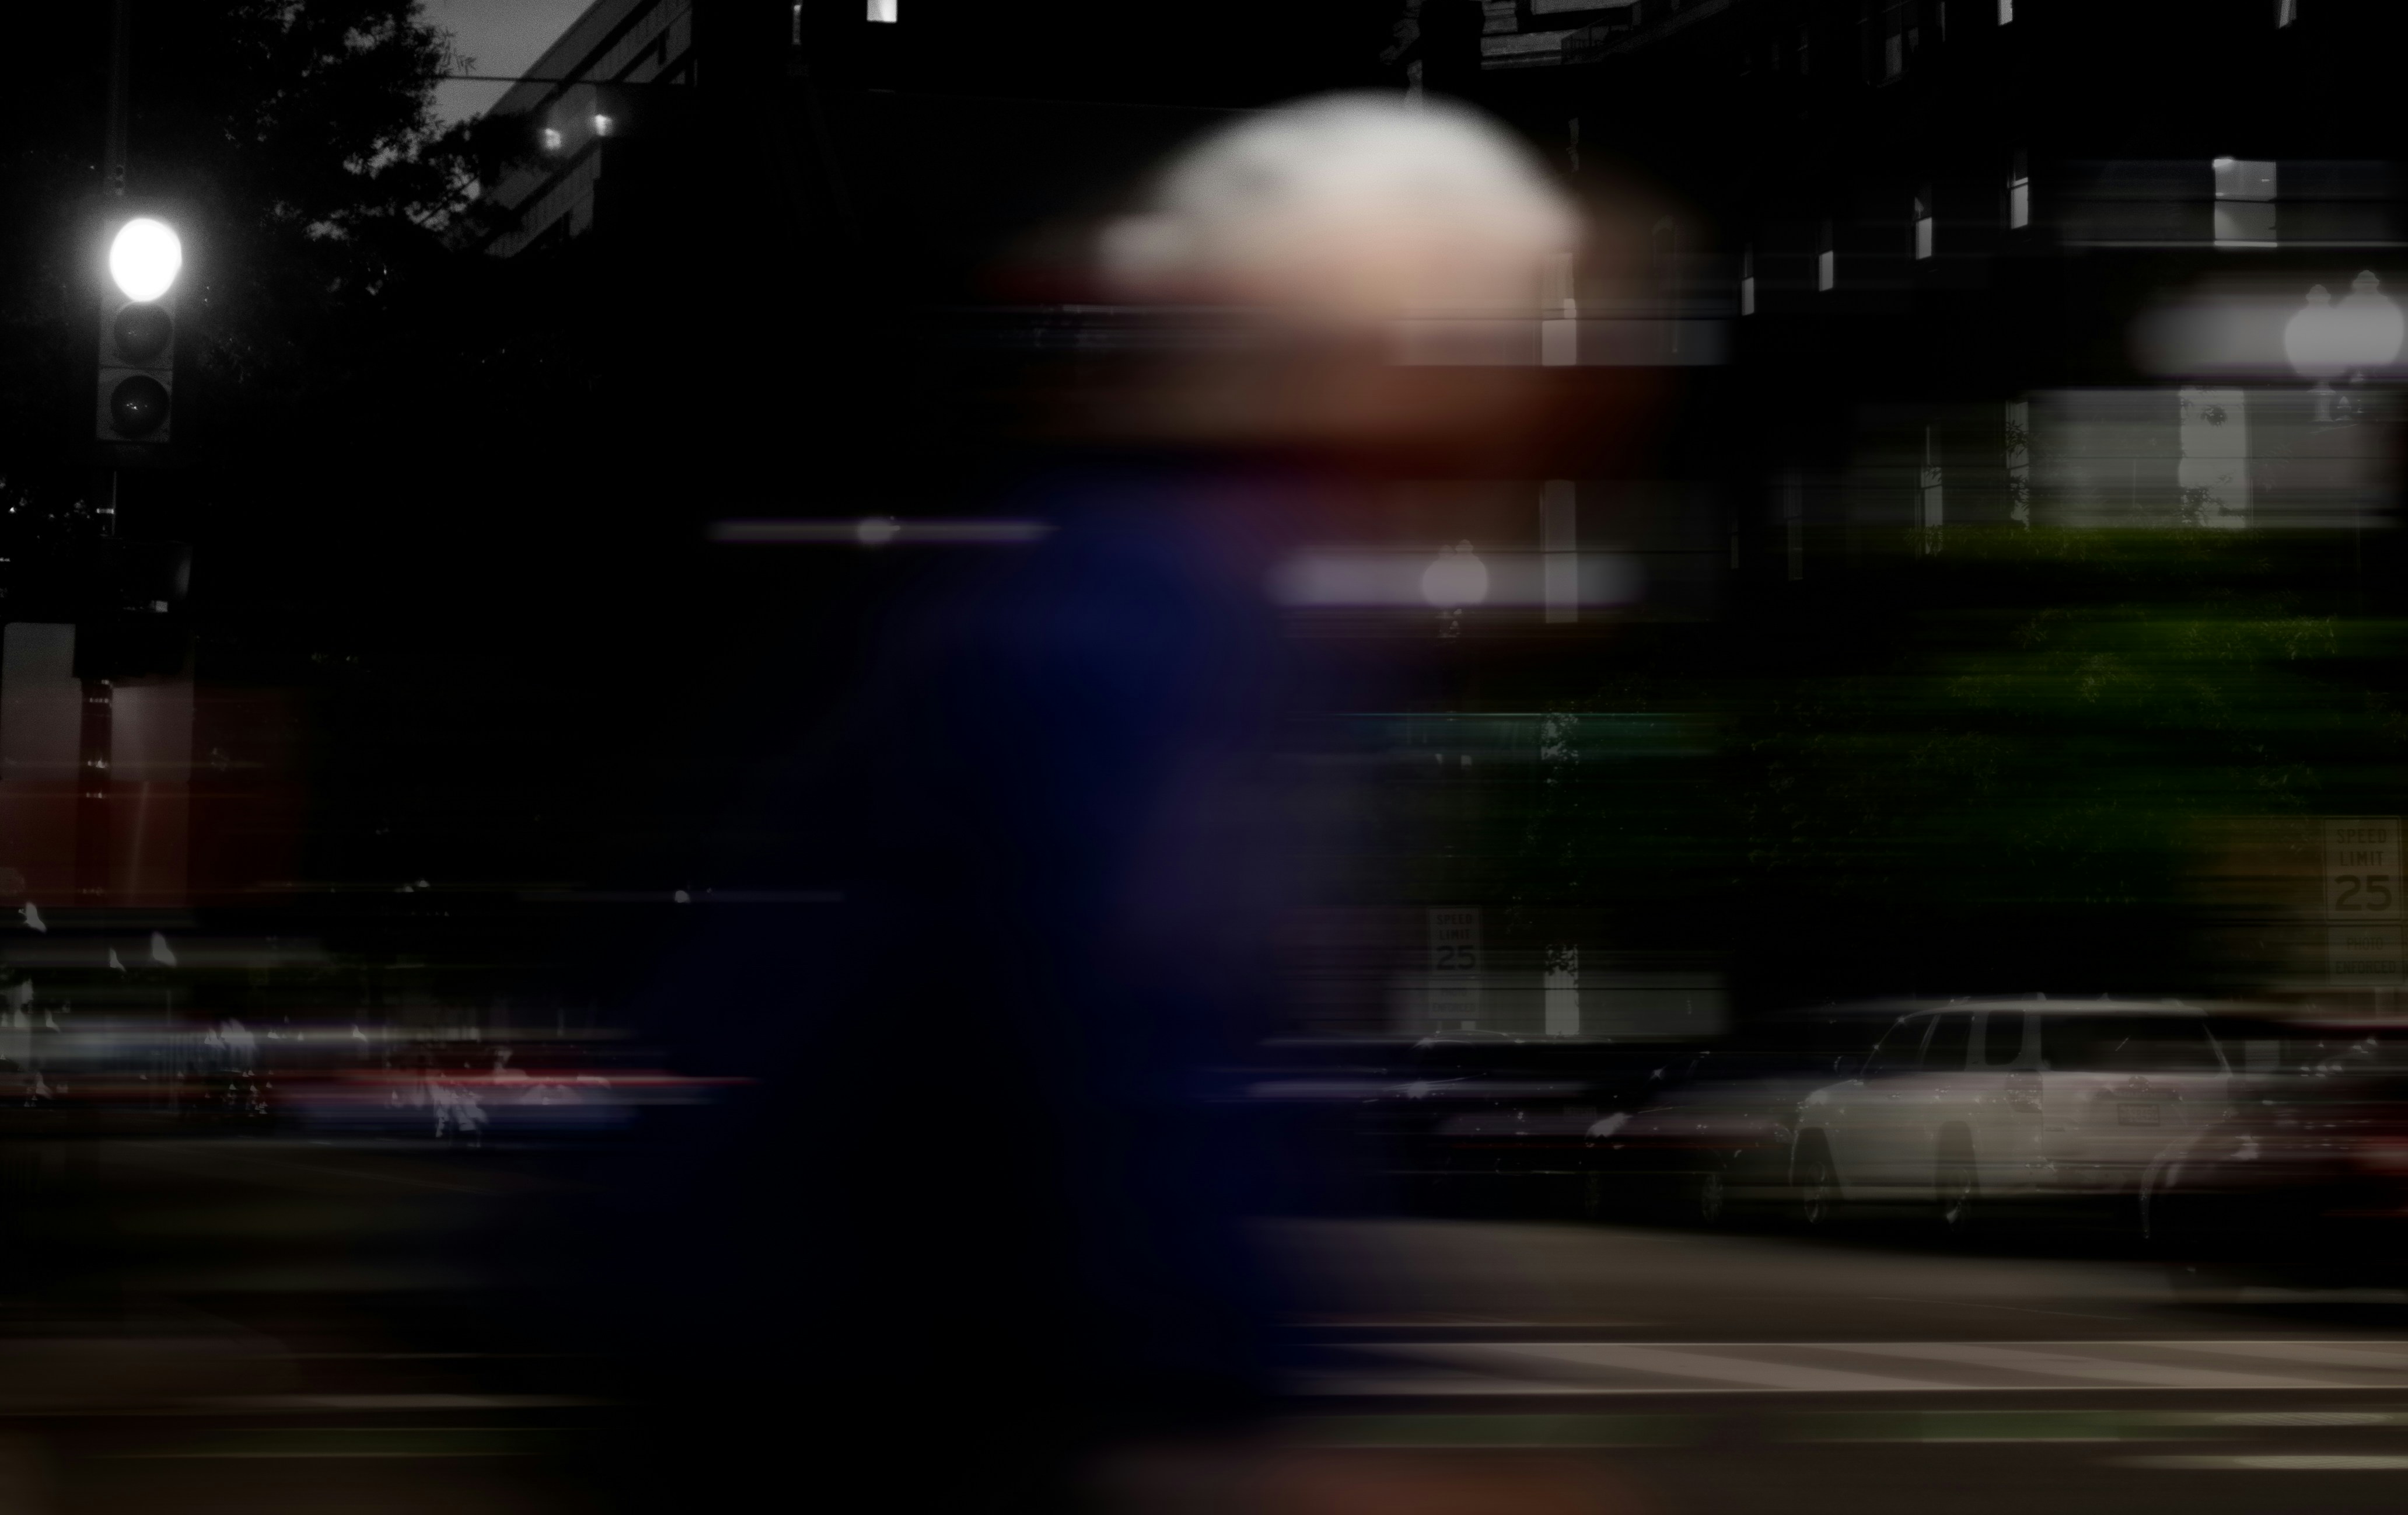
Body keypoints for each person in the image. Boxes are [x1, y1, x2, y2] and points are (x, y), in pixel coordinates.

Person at [555, 95, 1631, 1513]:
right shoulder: (1176, 620)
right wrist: (1255, 1428)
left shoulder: (1127, 579)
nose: (1542, 458)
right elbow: (1128, 1048)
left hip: (809, 1350)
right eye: (1520, 388)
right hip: (829, 1395)